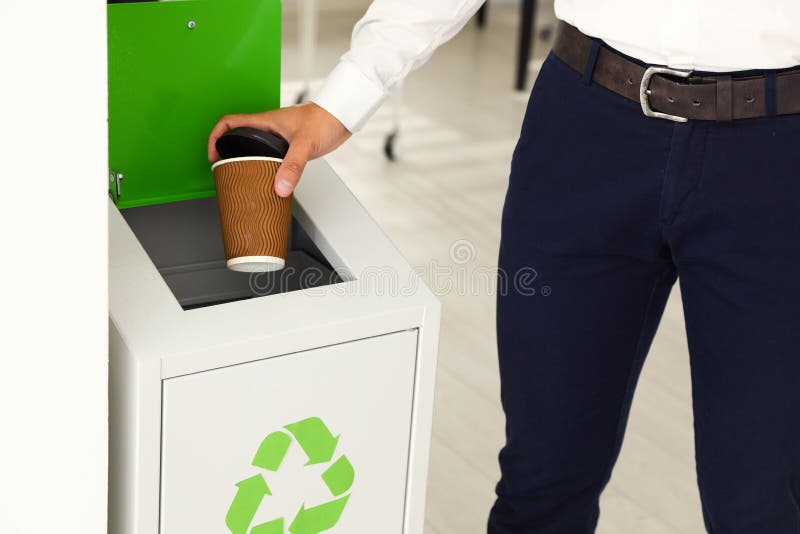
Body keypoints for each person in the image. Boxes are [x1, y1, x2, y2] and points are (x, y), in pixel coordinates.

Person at [208, 2, 800, 532]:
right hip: (587, 127)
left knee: (761, 502)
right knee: (542, 479)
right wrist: (339, 102)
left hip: (776, 153)